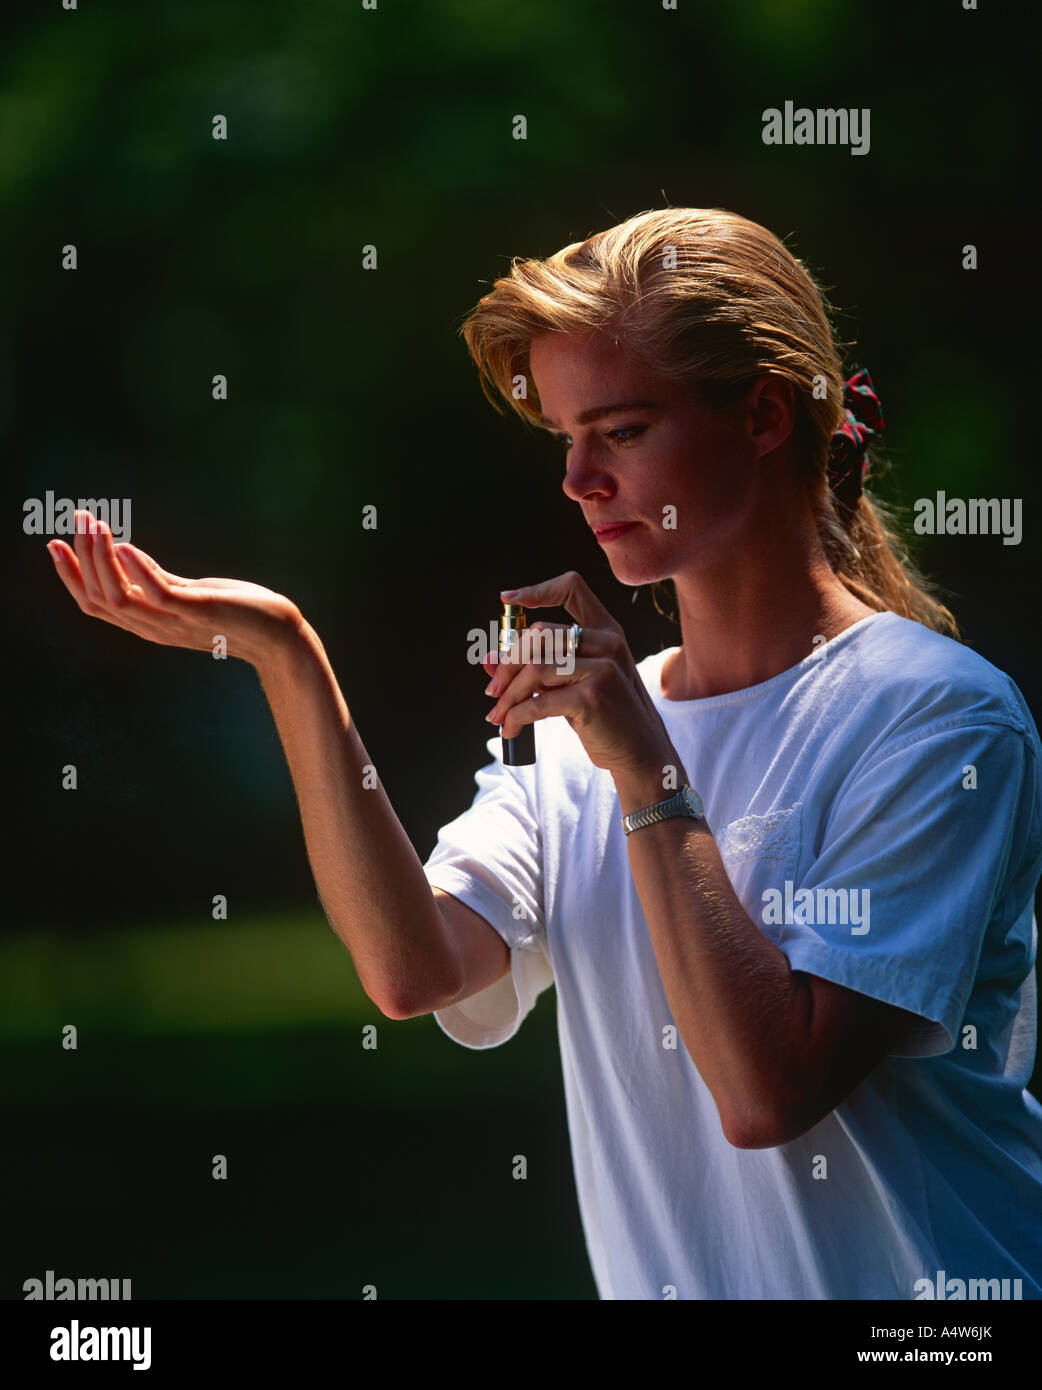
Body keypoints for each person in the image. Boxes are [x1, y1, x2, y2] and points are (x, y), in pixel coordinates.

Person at [47, 207, 1042, 1301]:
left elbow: (767, 1092)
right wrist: (288, 657)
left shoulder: (937, 720)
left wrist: (651, 779)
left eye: (619, 431)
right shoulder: (592, 731)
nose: (577, 480)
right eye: (564, 439)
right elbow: (411, 968)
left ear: (763, 414)